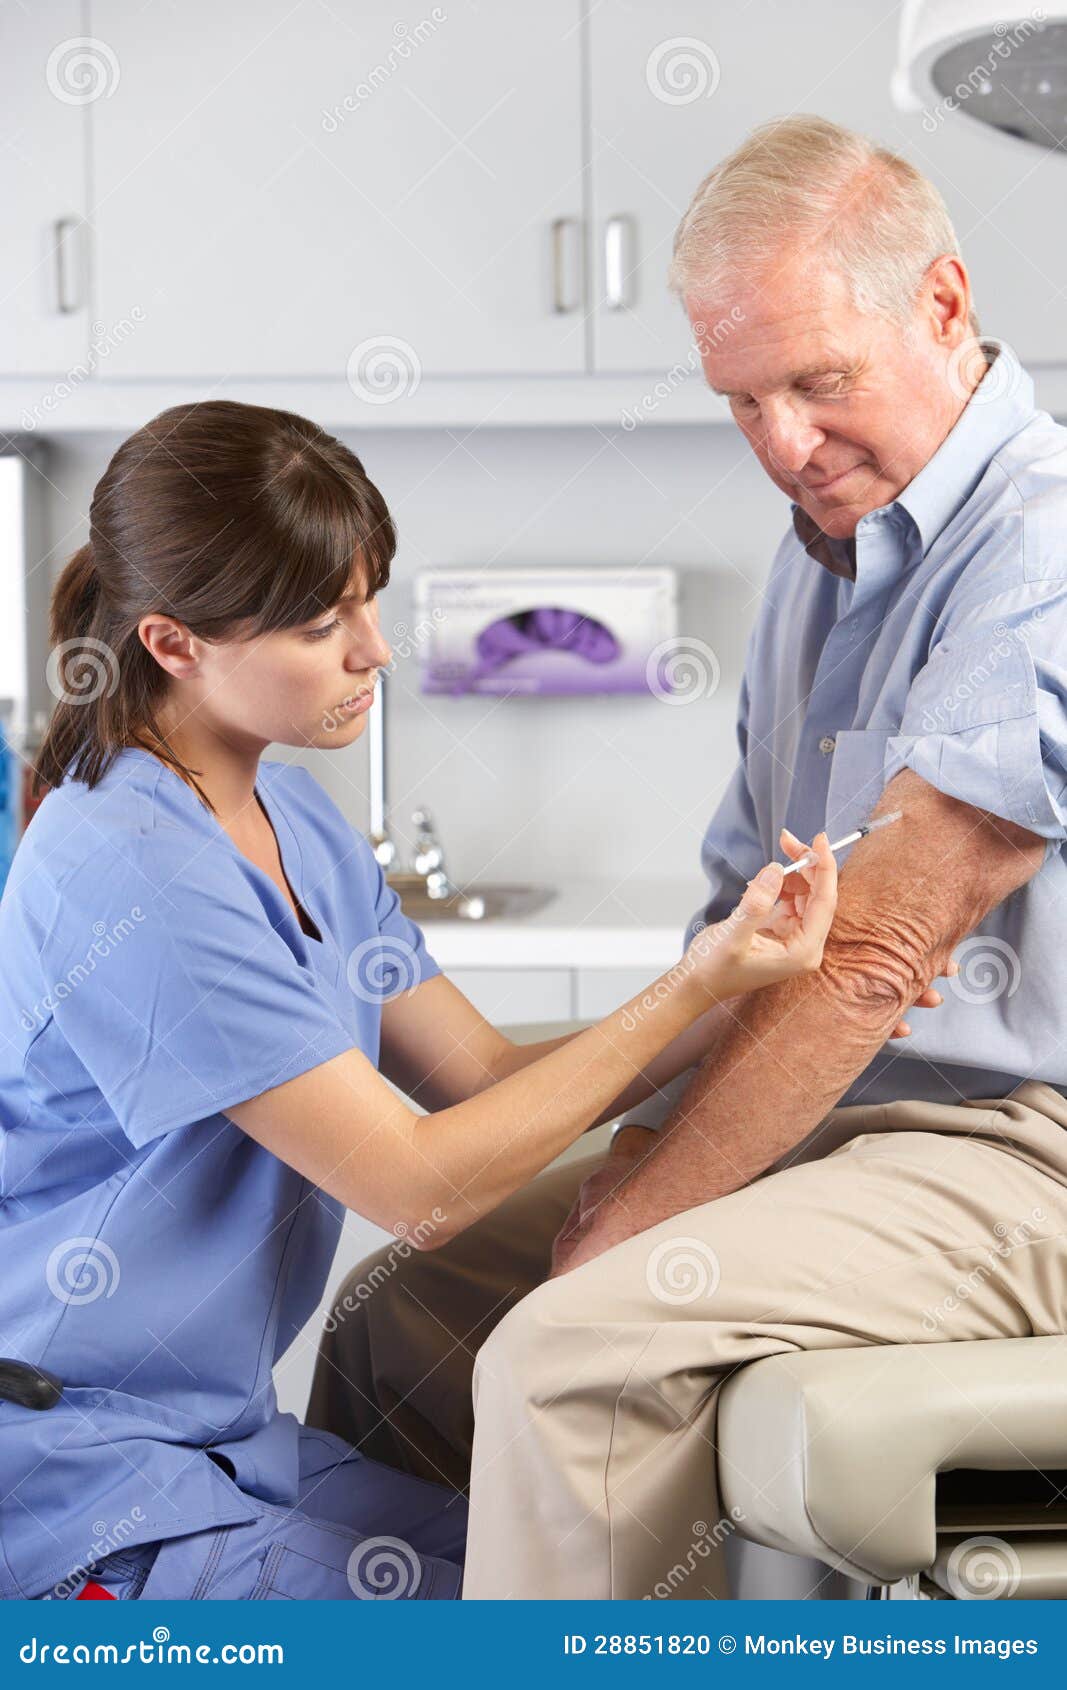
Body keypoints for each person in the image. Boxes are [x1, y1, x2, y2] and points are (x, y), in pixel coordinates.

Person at [307, 116, 1067, 1601]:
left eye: (816, 381)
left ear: (941, 303)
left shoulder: (1038, 554)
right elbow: (749, 936)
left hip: (1017, 1146)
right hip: (846, 1119)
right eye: (741, 399)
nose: (781, 440)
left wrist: (635, 1213)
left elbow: (864, 959)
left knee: (572, 1346)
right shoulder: (817, 555)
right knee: (398, 1315)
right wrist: (643, 1150)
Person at [0, 400, 837, 1601]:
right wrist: (698, 981)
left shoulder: (295, 825)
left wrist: (739, 999)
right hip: (76, 1480)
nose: (373, 650)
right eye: (321, 623)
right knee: (516, 1624)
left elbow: (486, 1082)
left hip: (217, 1446)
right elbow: (419, 1187)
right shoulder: (134, 866)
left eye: (368, 600)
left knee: (581, 1572)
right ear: (173, 644)